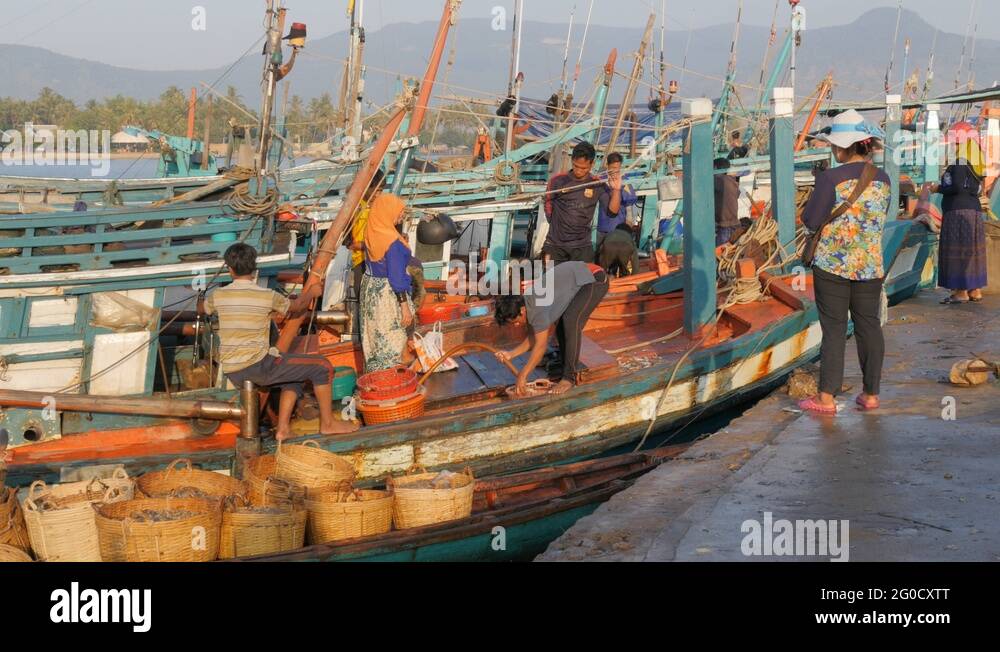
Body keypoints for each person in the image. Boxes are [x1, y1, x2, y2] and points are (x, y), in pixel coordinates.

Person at [199, 243, 358, 440]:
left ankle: (283, 429)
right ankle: (328, 424)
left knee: (293, 377)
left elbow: (202, 308)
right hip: (258, 366)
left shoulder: (218, 296)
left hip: (233, 371)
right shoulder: (266, 296)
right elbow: (298, 305)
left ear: (229, 269)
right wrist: (312, 292)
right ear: (254, 268)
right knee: (322, 366)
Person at [798, 109, 891, 414]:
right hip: (870, 265)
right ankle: (871, 394)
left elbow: (811, 220)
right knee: (869, 326)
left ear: (842, 146)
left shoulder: (831, 178)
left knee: (835, 329)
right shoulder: (884, 179)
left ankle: (826, 398)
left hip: (832, 266)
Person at [494, 261, 609, 396]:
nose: (517, 325)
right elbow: (533, 338)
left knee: (571, 321)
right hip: (577, 277)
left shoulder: (537, 309)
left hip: (594, 278)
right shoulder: (527, 302)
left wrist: (523, 375)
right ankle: (566, 365)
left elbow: (540, 347)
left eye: (515, 321)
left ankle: (568, 377)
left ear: (522, 310)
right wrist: (511, 354)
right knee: (561, 326)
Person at [928, 122, 988, 304]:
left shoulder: (961, 162)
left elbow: (957, 187)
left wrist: (938, 188)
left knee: (959, 251)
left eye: (955, 142)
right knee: (971, 251)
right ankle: (974, 290)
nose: (954, 146)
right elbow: (975, 189)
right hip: (973, 212)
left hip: (958, 213)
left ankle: (960, 292)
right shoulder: (976, 162)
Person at [360, 193, 415, 372]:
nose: (401, 216)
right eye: (399, 212)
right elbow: (397, 278)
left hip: (370, 291)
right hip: (387, 295)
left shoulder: (372, 232)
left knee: (374, 337)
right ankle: (391, 380)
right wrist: (404, 306)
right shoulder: (393, 243)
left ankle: (375, 375)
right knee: (394, 337)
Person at [542, 141, 620, 264]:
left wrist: (616, 190)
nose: (579, 170)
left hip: (582, 248)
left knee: (584, 282)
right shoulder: (557, 181)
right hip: (555, 245)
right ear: (572, 161)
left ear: (592, 164)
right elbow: (547, 207)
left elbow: (612, 212)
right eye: (576, 166)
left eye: (583, 168)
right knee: (549, 282)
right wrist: (558, 227)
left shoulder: (597, 184)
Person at [348, 169, 386, 337]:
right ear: (367, 188)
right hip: (361, 263)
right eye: (376, 190)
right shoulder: (356, 208)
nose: (379, 194)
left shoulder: (379, 207)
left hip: (379, 262)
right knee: (364, 304)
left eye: (381, 190)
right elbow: (351, 243)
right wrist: (372, 244)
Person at [596, 152, 639, 253]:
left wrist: (629, 225)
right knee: (600, 257)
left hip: (619, 229)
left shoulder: (625, 181)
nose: (615, 171)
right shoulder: (599, 181)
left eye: (618, 168)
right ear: (607, 166)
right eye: (613, 167)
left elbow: (629, 206)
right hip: (602, 228)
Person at [714, 158, 741, 245]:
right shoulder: (732, 181)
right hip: (735, 224)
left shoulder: (718, 180)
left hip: (725, 226)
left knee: (719, 255)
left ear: (715, 168)